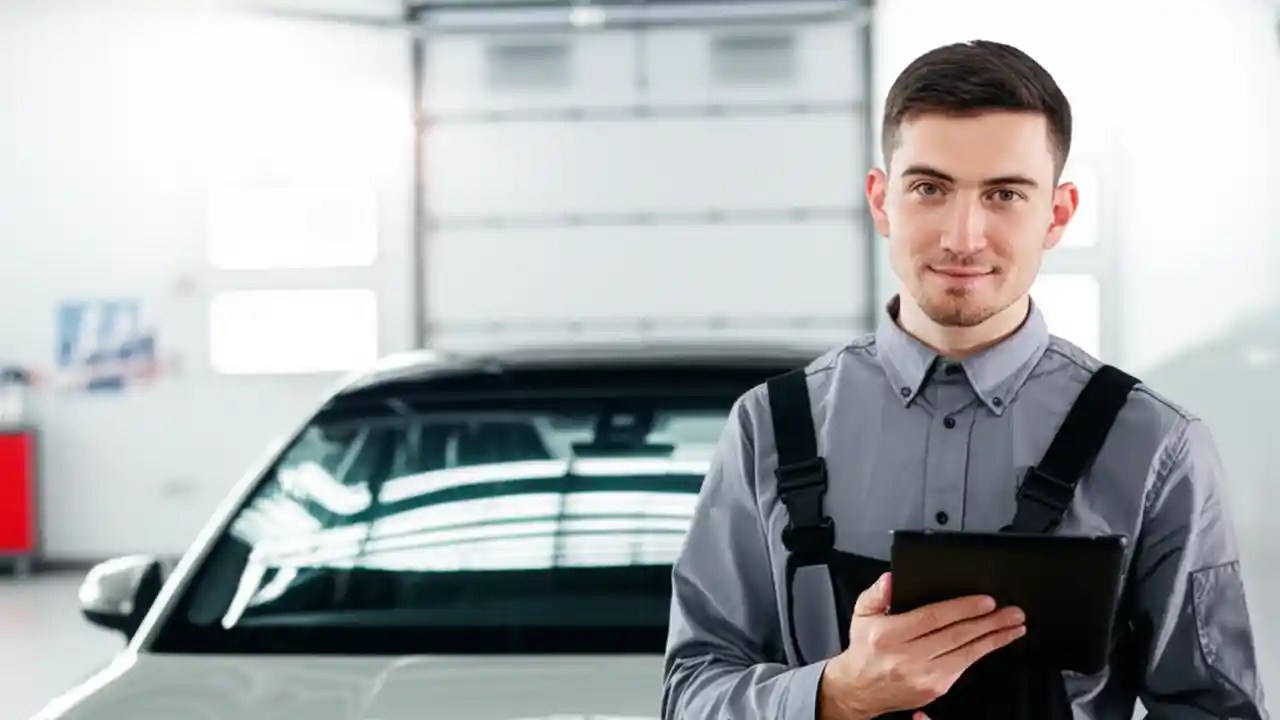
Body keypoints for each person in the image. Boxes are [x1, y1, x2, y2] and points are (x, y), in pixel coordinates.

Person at [661, 39, 1268, 719]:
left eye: (1004, 194)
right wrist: (833, 694)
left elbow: (1216, 711)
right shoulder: (768, 427)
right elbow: (691, 692)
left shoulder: (1158, 446)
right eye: (930, 188)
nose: (963, 236)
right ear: (881, 199)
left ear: (1058, 214)